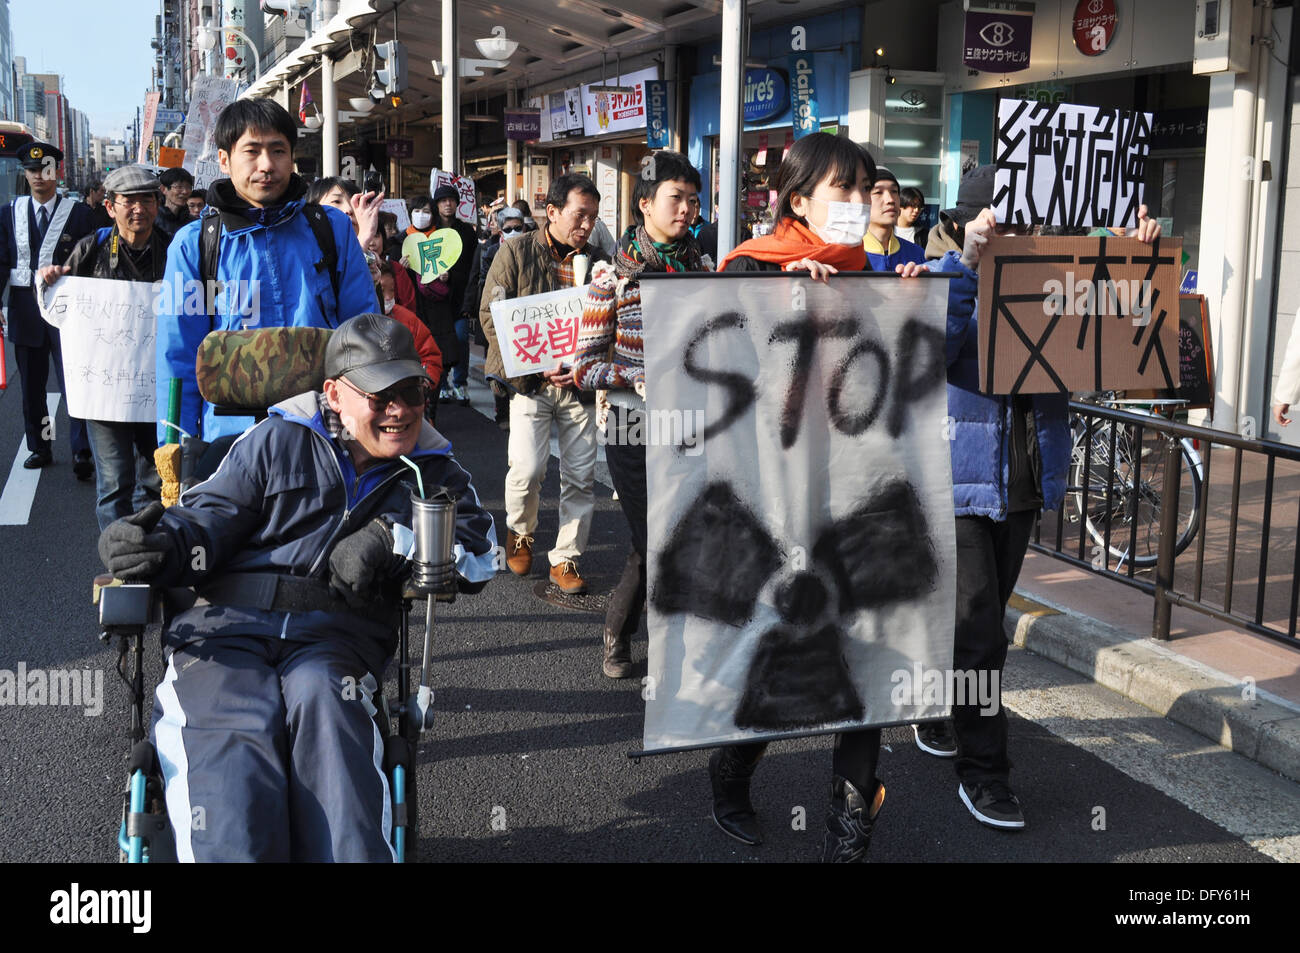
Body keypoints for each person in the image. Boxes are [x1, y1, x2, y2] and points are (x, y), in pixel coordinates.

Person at [97, 314, 498, 862]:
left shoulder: (434, 472)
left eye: (412, 391)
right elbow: (207, 520)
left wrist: (393, 537)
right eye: (381, 395)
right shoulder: (274, 439)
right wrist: (157, 547)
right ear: (333, 394)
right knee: (236, 746)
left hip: (334, 640)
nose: (400, 409)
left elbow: (482, 555)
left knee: (329, 717)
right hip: (224, 631)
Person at [713, 132, 927, 862]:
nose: (862, 203)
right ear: (798, 199)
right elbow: (722, 381)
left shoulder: (873, 273)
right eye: (846, 190)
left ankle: (849, 820)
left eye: (866, 190)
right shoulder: (753, 267)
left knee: (867, 653)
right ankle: (732, 769)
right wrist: (783, 303)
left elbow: (893, 387)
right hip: (778, 500)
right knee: (786, 647)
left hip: (863, 495)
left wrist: (907, 310)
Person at [928, 167, 1163, 830]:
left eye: (1029, 224)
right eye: (1005, 223)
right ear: (970, 222)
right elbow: (929, 352)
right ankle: (986, 773)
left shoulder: (1058, 285)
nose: (1020, 236)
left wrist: (1133, 263)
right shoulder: (944, 275)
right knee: (978, 630)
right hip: (958, 480)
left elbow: (1124, 349)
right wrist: (971, 268)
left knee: (977, 623)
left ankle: (934, 701)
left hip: (1026, 479)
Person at [155, 98, 378, 447]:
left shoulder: (331, 229)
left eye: (278, 151)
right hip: (232, 440)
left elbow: (363, 330)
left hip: (324, 429)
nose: (266, 165)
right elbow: (179, 355)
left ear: (292, 158)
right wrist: (175, 444)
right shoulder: (196, 245)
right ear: (224, 160)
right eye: (252, 151)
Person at [573, 151, 710, 678]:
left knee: (671, 534)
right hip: (632, 423)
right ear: (645, 203)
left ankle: (618, 633)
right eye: (676, 199)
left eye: (693, 200)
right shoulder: (612, 277)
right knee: (655, 537)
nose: (686, 210)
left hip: (692, 422)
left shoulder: (702, 268)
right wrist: (631, 376)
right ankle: (667, 653)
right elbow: (585, 369)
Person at [480, 173, 610, 594]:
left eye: (592, 217)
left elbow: (614, 320)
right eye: (579, 215)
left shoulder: (601, 259)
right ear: (551, 212)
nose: (586, 225)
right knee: (528, 469)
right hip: (531, 385)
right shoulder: (515, 252)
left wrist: (588, 366)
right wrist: (533, 366)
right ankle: (519, 531)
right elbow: (492, 316)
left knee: (580, 476)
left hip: (581, 385)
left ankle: (566, 557)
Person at [39, 165, 168, 531]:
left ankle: (151, 557)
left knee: (158, 483)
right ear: (110, 206)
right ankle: (120, 564)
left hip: (155, 389)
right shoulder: (91, 249)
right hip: (105, 391)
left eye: (147, 199)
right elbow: (60, 308)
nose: (139, 208)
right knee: (113, 485)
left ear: (157, 205)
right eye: (129, 200)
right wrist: (49, 282)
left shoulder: (176, 249)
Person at [0, 140, 96, 475]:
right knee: (32, 388)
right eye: (32, 170)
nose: (40, 176)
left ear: (58, 172)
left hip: (69, 313)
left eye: (46, 169)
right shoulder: (8, 214)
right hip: (25, 312)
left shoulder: (81, 214)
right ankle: (41, 446)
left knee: (75, 383)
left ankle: (81, 450)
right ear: (25, 174)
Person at [404, 186, 477, 404]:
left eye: (451, 200)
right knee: (438, 342)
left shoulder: (466, 232)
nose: (447, 204)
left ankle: (461, 383)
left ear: (457, 204)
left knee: (462, 338)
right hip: (433, 303)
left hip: (458, 299)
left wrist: (455, 281)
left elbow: (473, 268)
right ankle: (442, 384)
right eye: (443, 200)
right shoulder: (428, 232)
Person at [373, 258, 442, 388]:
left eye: (392, 290)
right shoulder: (356, 321)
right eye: (382, 291)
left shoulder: (407, 318)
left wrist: (424, 381)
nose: (388, 297)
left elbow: (430, 356)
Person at [864, 167, 925, 271]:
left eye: (894, 191)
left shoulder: (917, 254)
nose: (890, 200)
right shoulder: (846, 256)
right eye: (878, 192)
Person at [155, 167, 195, 237]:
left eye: (188, 187)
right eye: (179, 187)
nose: (185, 191)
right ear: (163, 189)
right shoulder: (152, 220)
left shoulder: (193, 223)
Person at [896, 186, 930, 251]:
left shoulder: (924, 235)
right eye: (912, 206)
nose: (916, 210)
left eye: (919, 207)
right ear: (900, 205)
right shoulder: (888, 231)